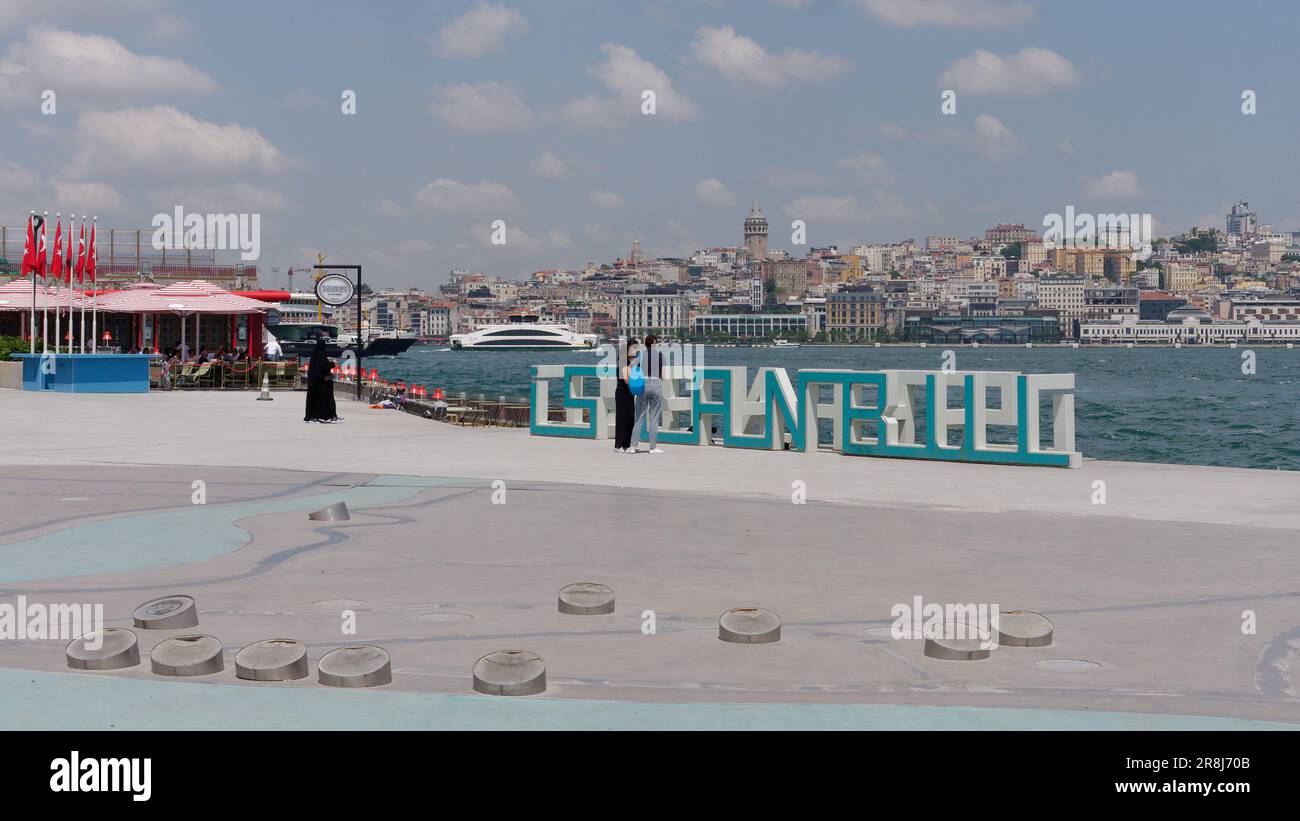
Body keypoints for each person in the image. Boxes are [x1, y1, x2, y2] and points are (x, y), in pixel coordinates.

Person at [629, 334, 665, 454]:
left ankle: (633, 446)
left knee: (639, 418)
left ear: (645, 344)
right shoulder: (661, 356)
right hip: (656, 385)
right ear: (655, 344)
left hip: (643, 385)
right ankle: (653, 447)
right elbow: (663, 375)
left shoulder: (642, 355)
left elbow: (632, 366)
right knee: (654, 419)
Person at [303, 337, 340, 423]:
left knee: (313, 400)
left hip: (313, 382)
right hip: (322, 382)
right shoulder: (322, 355)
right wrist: (333, 364)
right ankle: (328, 416)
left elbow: (317, 368)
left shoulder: (314, 355)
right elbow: (324, 367)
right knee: (326, 399)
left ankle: (312, 416)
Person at [613, 337, 639, 452]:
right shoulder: (623, 361)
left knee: (630, 418)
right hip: (622, 392)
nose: (637, 351)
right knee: (622, 418)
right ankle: (619, 445)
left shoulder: (633, 362)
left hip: (630, 393)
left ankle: (627, 444)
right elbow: (627, 379)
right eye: (635, 348)